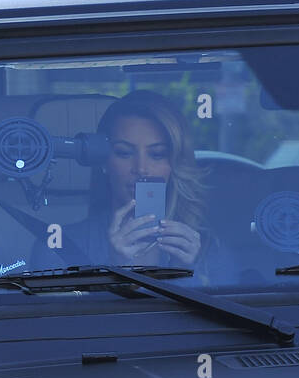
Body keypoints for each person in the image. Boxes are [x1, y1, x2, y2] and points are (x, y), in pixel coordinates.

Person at [30, 91, 210, 274]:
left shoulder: (205, 249)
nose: (141, 168)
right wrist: (116, 270)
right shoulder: (57, 249)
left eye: (157, 154)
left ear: (175, 164)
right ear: (104, 162)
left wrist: (185, 271)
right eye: (124, 152)